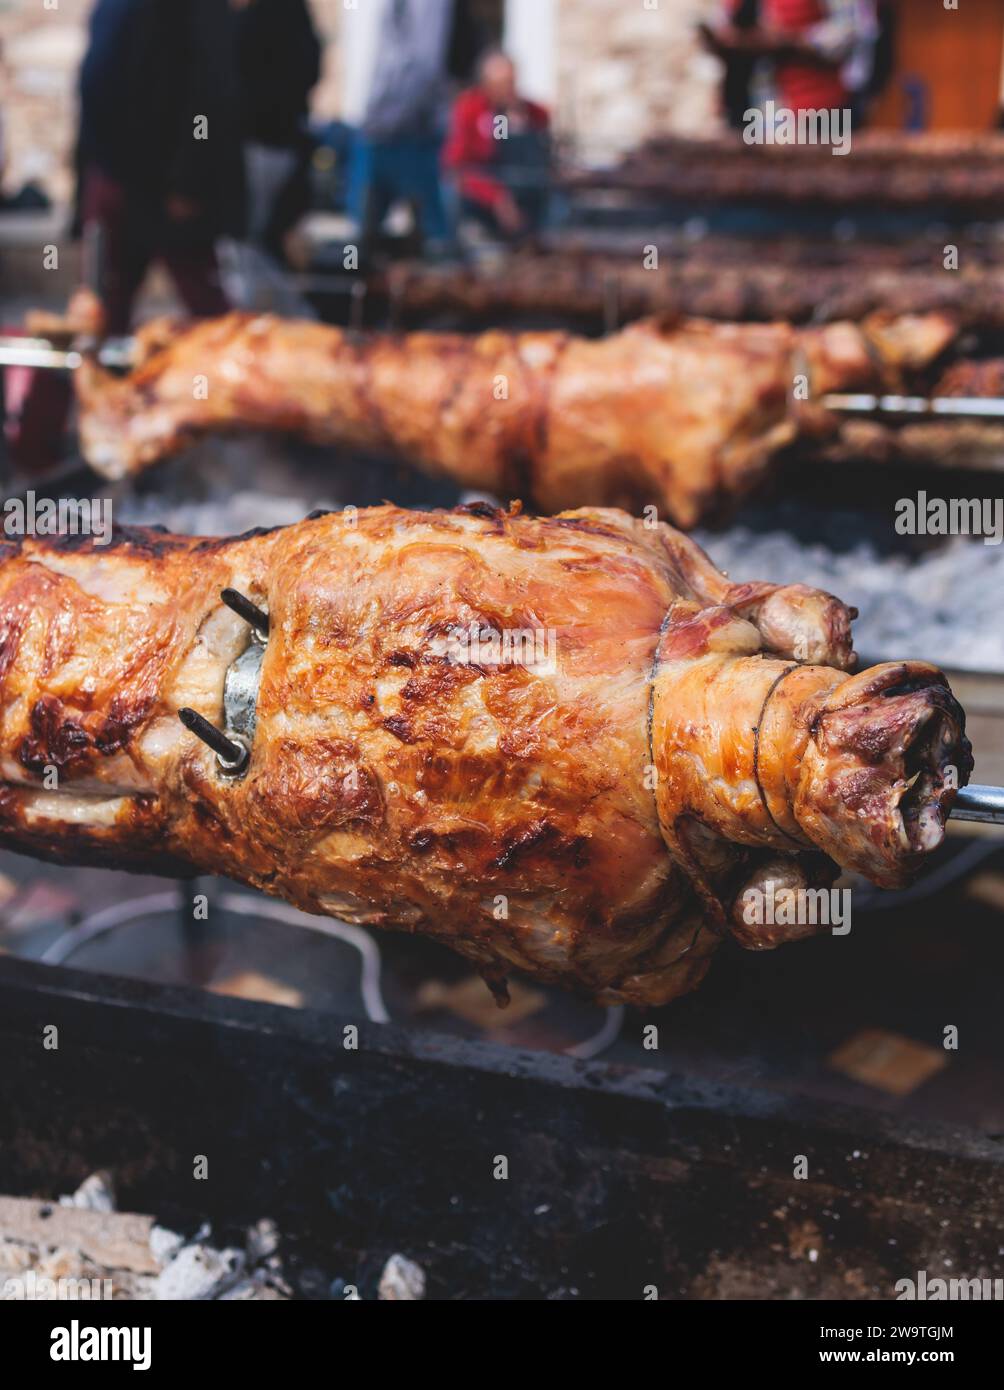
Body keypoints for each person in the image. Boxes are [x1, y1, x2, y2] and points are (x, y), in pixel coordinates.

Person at [76, 0, 245, 333]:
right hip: (114, 176)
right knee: (105, 309)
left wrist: (189, 182)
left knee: (206, 308)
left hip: (164, 183)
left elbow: (210, 88)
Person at [348, 0, 456, 255]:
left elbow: (423, 62)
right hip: (394, 125)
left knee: (430, 231)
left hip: (405, 129)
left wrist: (391, 117)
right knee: (369, 230)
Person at [232, 0, 321, 265]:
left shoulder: (265, 15)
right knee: (256, 242)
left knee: (250, 244)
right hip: (276, 139)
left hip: (264, 141)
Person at [701, 1, 879, 118]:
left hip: (818, 110)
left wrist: (789, 41)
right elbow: (722, 21)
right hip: (760, 109)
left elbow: (850, 31)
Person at [442, 49, 550, 242]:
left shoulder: (521, 112)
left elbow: (511, 146)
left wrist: (520, 121)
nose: (507, 90)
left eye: (511, 83)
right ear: (486, 84)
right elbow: (459, 165)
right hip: (480, 200)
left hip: (523, 195)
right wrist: (497, 198)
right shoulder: (471, 109)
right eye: (500, 84)